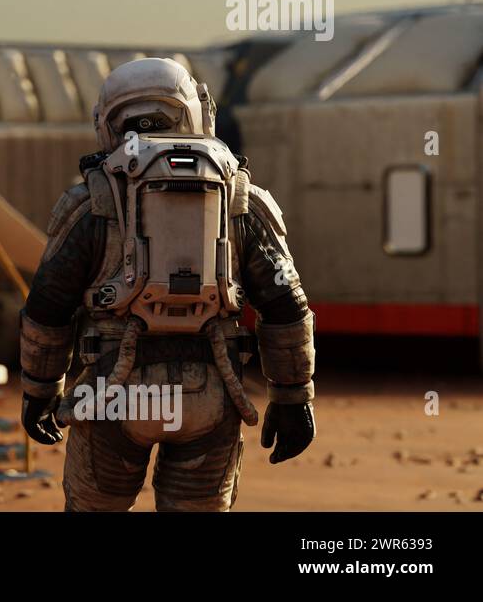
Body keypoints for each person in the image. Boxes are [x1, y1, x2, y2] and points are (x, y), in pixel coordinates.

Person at [19, 57, 315, 511]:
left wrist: (41, 390)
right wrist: (293, 396)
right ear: (195, 113)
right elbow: (285, 302)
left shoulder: (91, 202)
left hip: (112, 396)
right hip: (211, 394)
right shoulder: (239, 199)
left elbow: (48, 304)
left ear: (108, 122)